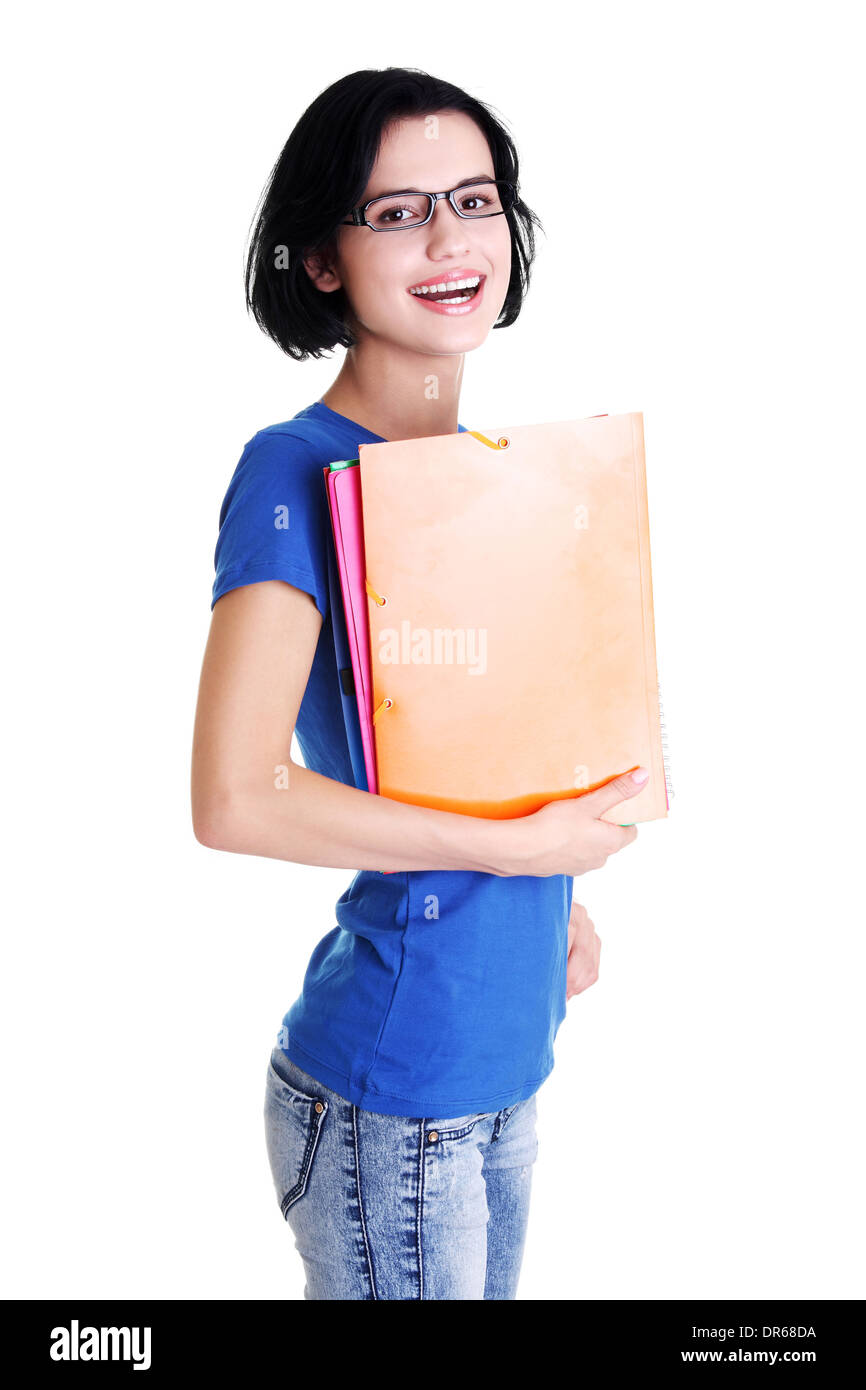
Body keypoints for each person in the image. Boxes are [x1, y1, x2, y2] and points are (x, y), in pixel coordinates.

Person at [190, 67, 648, 1301]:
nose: (450, 240)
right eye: (396, 212)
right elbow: (234, 797)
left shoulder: (475, 474)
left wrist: (557, 891)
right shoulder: (293, 471)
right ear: (322, 260)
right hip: (396, 1094)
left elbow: (485, 755)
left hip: (501, 1067)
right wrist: (520, 855)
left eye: (474, 199)